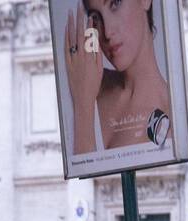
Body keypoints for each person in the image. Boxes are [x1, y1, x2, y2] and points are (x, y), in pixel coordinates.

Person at [65, 0, 172, 153]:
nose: (107, 32)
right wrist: (83, 101)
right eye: (95, 18)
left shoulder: (170, 123)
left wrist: (84, 106)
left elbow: (87, 171)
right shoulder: (84, 81)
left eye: (115, 3)